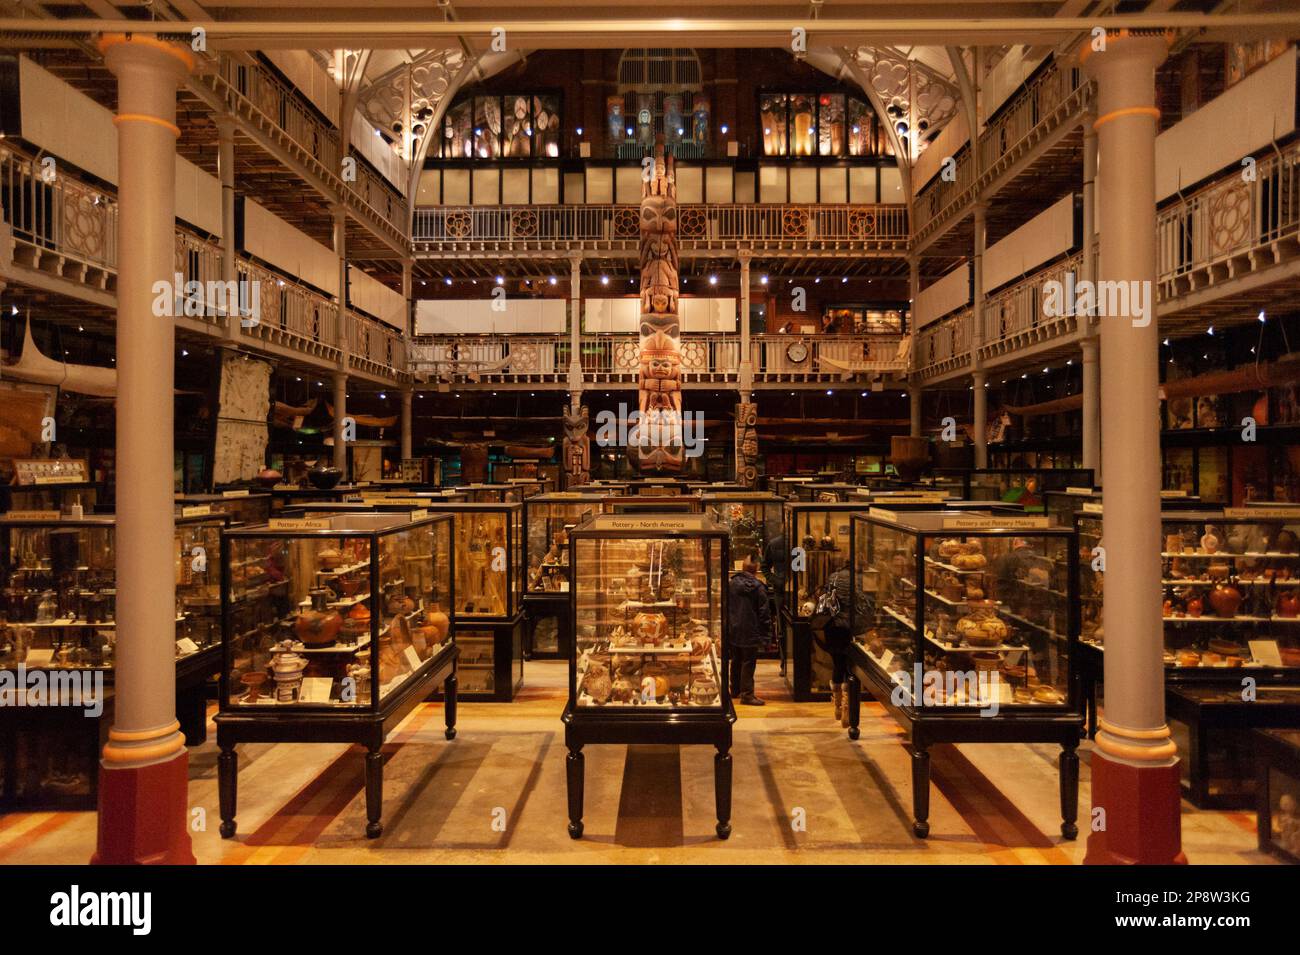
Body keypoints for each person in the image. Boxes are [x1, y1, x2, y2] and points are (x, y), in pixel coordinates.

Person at [728, 553, 772, 706]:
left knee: (736, 659)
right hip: (750, 630)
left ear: (742, 567)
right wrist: (766, 637)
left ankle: (734, 690)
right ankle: (747, 695)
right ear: (756, 569)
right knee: (748, 662)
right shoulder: (759, 587)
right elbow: (764, 612)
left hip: (734, 628)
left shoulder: (731, 584)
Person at [822, 556, 853, 727]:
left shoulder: (832, 577)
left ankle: (837, 707)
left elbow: (827, 600)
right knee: (849, 669)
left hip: (833, 627)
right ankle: (846, 712)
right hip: (848, 629)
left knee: (837, 665)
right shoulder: (856, 580)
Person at [763, 531, 789, 676]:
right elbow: (765, 566)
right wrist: (776, 581)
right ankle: (784, 663)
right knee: (782, 629)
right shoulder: (775, 543)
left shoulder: (797, 543)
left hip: (796, 591)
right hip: (781, 593)